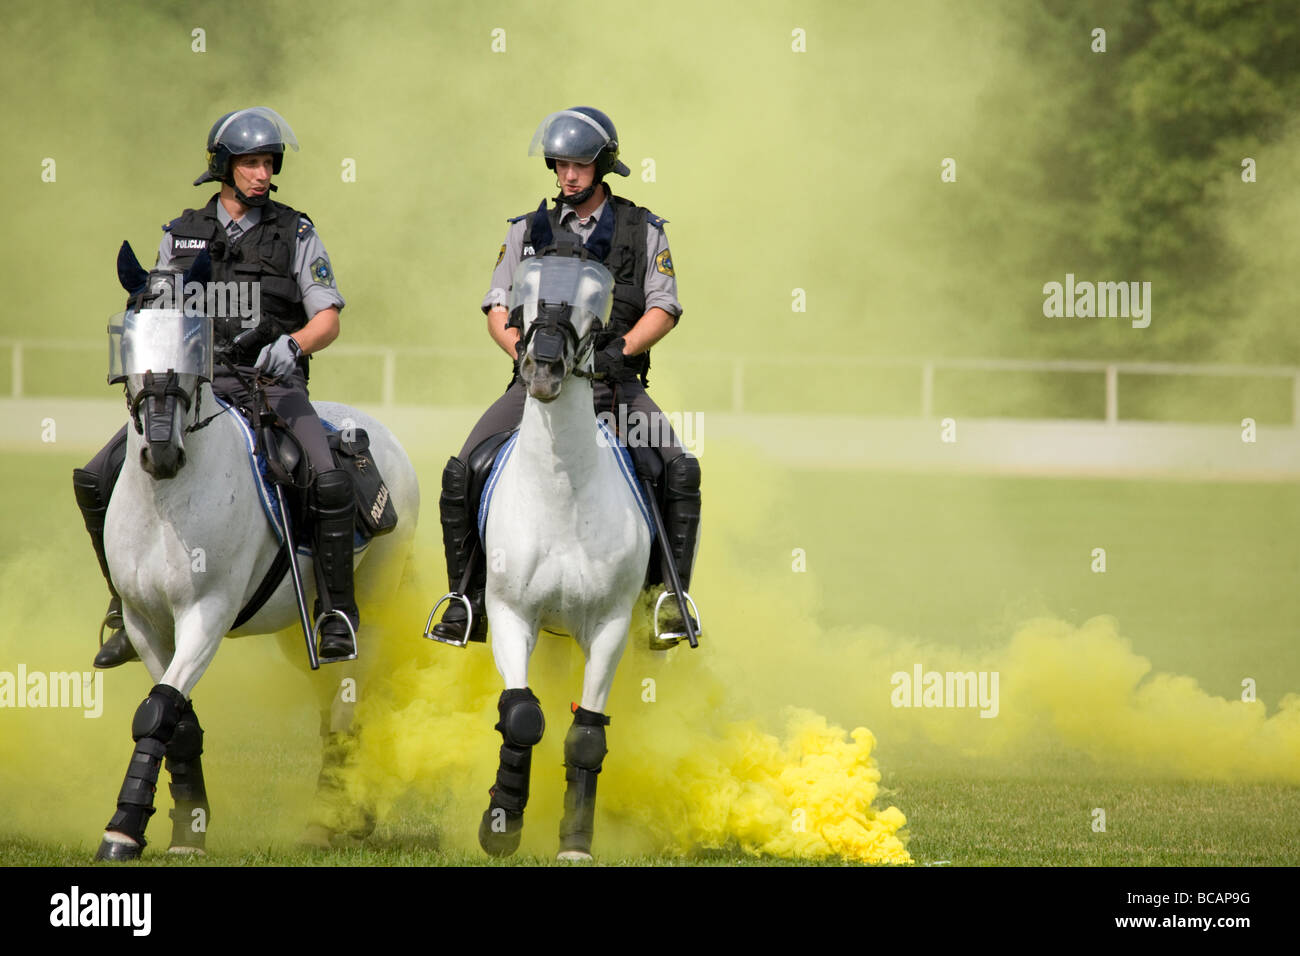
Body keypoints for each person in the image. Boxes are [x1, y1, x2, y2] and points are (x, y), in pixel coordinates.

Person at [74, 106, 359, 667]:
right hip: (191, 388)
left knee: (327, 477)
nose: (262, 174)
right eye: (250, 163)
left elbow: (328, 318)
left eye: (268, 164)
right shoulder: (179, 236)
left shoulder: (296, 232)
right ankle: (124, 606)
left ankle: (336, 613)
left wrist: (295, 344)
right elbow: (152, 318)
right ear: (224, 168)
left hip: (271, 385)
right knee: (95, 476)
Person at [429, 106, 702, 648]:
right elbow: (496, 306)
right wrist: (524, 357)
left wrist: (620, 350)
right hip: (535, 389)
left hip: (615, 385)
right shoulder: (524, 231)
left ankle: (669, 602)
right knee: (462, 471)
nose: (568, 175)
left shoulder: (642, 230)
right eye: (560, 165)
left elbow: (663, 308)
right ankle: (467, 602)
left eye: (580, 165)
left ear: (601, 166)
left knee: (678, 468)